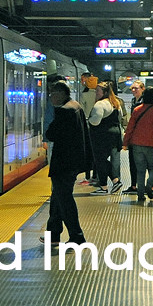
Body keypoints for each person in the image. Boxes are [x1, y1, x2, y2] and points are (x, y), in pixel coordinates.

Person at [43, 80, 92, 246]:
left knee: (64, 200)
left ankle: (77, 236)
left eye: (52, 94)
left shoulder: (64, 111)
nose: (50, 98)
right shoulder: (76, 106)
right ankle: (53, 235)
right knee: (57, 197)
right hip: (74, 160)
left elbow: (51, 134)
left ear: (61, 94)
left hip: (64, 162)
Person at [123, 86, 153, 204]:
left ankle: (140, 195)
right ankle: (149, 183)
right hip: (152, 144)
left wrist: (125, 143)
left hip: (137, 144)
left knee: (140, 170)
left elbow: (130, 128)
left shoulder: (137, 110)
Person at [87, 84, 124, 193]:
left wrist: (88, 121)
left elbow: (95, 121)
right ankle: (115, 180)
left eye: (98, 91)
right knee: (103, 160)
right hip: (115, 135)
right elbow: (120, 117)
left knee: (100, 160)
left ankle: (104, 186)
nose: (96, 93)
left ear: (104, 92)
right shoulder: (116, 103)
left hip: (102, 136)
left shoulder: (100, 104)